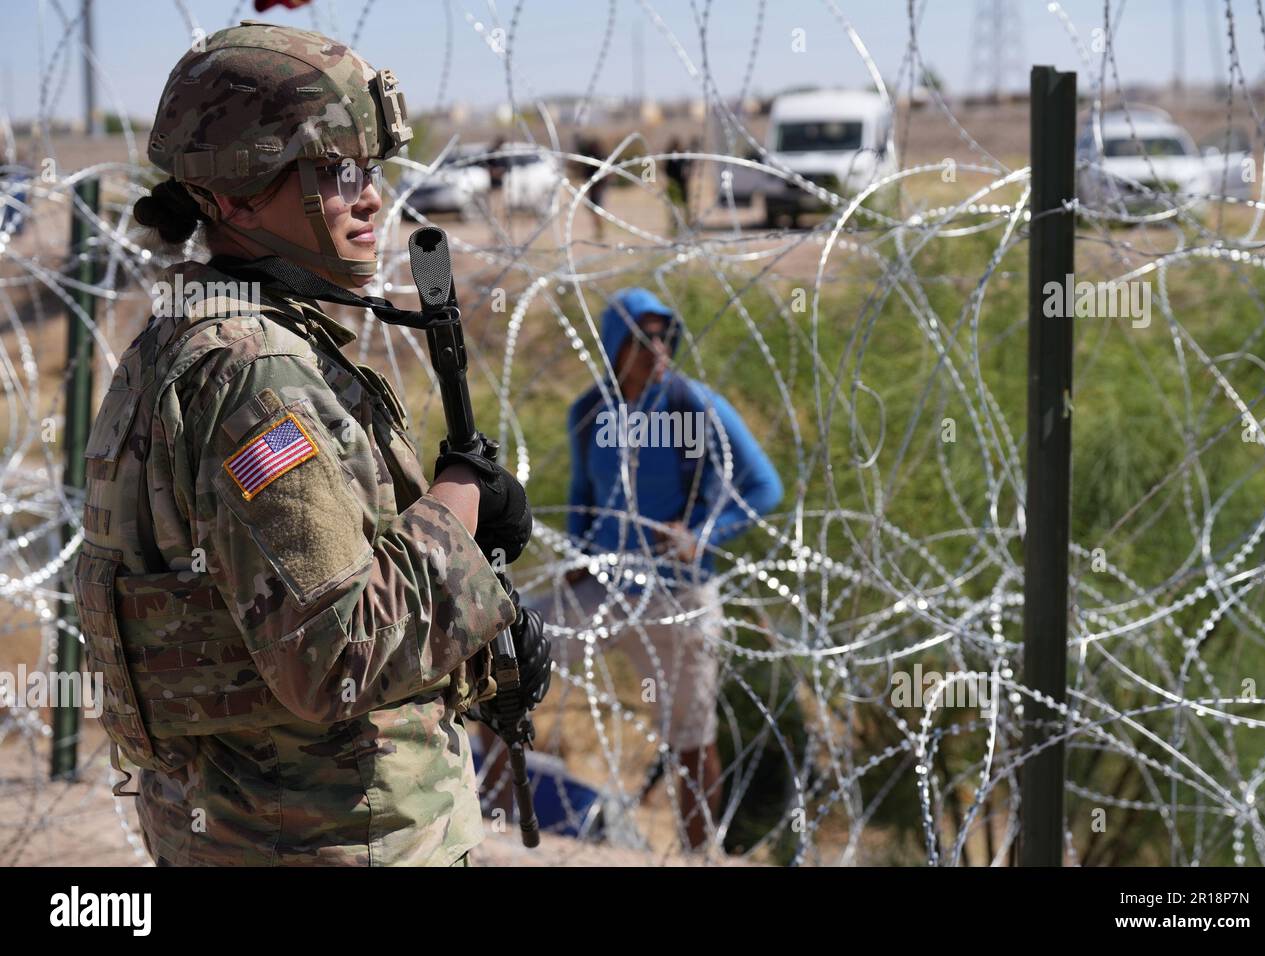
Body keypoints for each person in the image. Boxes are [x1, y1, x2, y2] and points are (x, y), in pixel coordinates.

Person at [71, 21, 549, 867]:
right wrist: (460, 503)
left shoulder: (182, 340)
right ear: (238, 192)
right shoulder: (253, 373)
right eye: (333, 173)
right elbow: (336, 654)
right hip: (329, 836)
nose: (370, 197)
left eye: (369, 171)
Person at [557, 287, 782, 850]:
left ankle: (697, 855)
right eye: (643, 337)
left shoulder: (693, 405)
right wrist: (577, 556)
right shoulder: (589, 413)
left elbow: (764, 486)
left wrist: (702, 534)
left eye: (665, 335)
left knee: (691, 741)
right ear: (615, 345)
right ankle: (504, 814)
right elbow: (583, 497)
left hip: (679, 597)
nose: (658, 347)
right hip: (606, 589)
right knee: (508, 664)